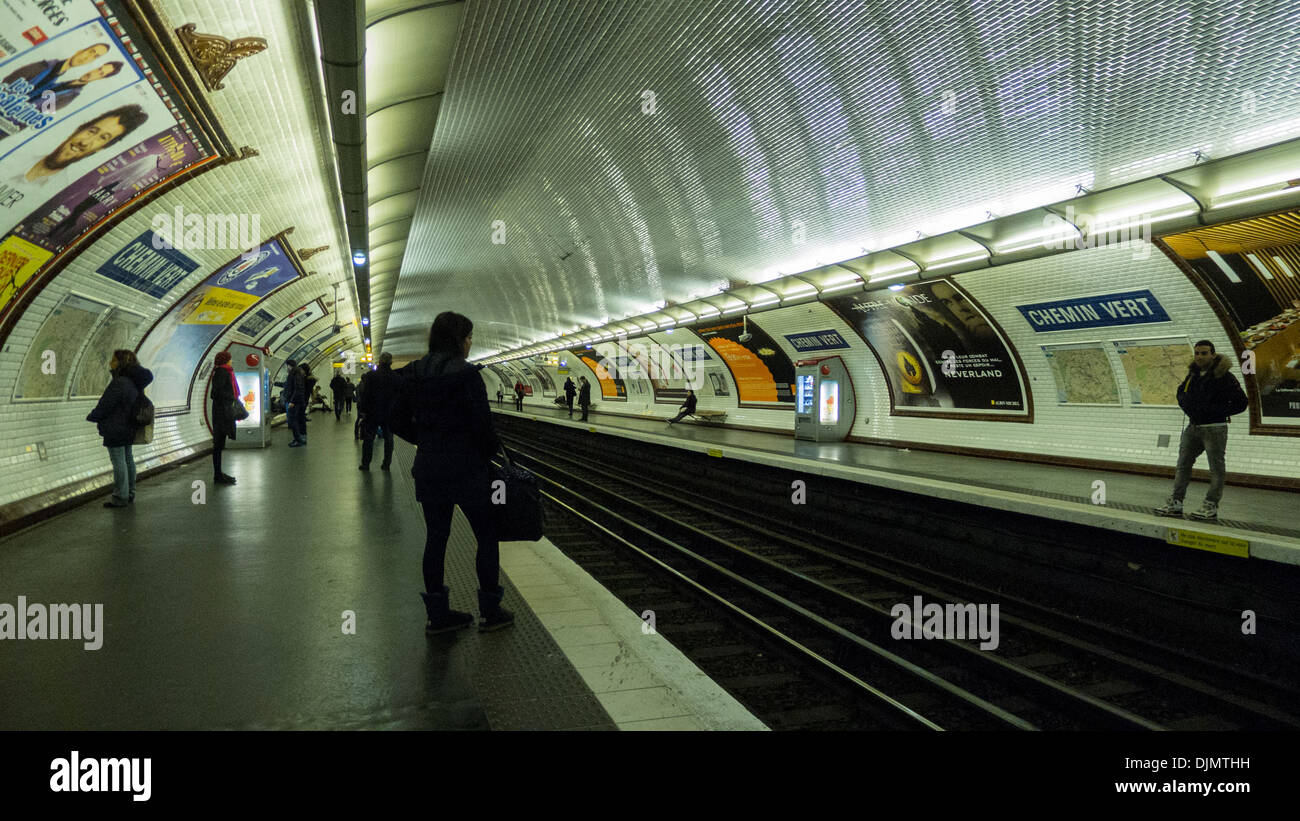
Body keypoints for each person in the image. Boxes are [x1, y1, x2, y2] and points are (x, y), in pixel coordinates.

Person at [405, 311, 512, 633]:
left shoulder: (414, 372)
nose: (470, 344)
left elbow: (396, 414)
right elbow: (483, 425)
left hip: (429, 467)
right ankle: (490, 611)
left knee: (436, 539)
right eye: (468, 337)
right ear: (458, 340)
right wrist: (488, 452)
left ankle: (438, 617)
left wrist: (423, 440)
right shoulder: (467, 376)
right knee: (486, 535)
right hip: (467, 470)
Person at [1155, 341, 1249, 521]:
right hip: (1193, 427)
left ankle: (1211, 505)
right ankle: (1176, 502)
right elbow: (1181, 392)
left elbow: (1242, 403)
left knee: (1216, 469)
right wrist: (1187, 405)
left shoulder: (1225, 377)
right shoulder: (1193, 375)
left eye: (1204, 353)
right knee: (1183, 464)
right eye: (1197, 353)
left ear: (1213, 355)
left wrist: (1217, 412)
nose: (1199, 357)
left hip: (1214, 429)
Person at [17, 104, 149, 185]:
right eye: (92, 131)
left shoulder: (57, 191)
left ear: (101, 148)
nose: (84, 142)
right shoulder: (18, 153)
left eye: (102, 138)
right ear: (78, 129)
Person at [85, 349, 150, 508]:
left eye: (113, 360)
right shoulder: (134, 381)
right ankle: (130, 492)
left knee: (119, 461)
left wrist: (93, 416)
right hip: (129, 425)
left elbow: (106, 404)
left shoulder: (120, 382)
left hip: (116, 426)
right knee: (128, 459)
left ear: (121, 362)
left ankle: (121, 496)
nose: (110, 363)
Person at [357, 352, 398, 471]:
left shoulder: (371, 376)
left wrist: (363, 410)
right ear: (391, 362)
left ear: (379, 361)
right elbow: (399, 396)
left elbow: (366, 395)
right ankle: (386, 464)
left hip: (372, 413)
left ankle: (366, 464)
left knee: (369, 438)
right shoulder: (395, 377)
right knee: (389, 438)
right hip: (389, 413)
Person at [210, 351, 239, 485]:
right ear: (225, 360)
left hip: (222, 412)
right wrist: (230, 398)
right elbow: (215, 393)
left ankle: (219, 473)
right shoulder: (222, 373)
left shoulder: (223, 372)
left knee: (220, 444)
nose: (231, 361)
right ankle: (217, 475)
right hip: (222, 414)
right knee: (218, 444)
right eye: (229, 359)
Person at [285, 359, 307, 447]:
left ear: (289, 366)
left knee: (293, 421)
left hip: (295, 401)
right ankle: (299, 439)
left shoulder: (294, 374)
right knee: (298, 420)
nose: (286, 368)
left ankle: (298, 440)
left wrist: (292, 401)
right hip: (299, 400)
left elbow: (297, 389)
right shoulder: (298, 373)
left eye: (286, 366)